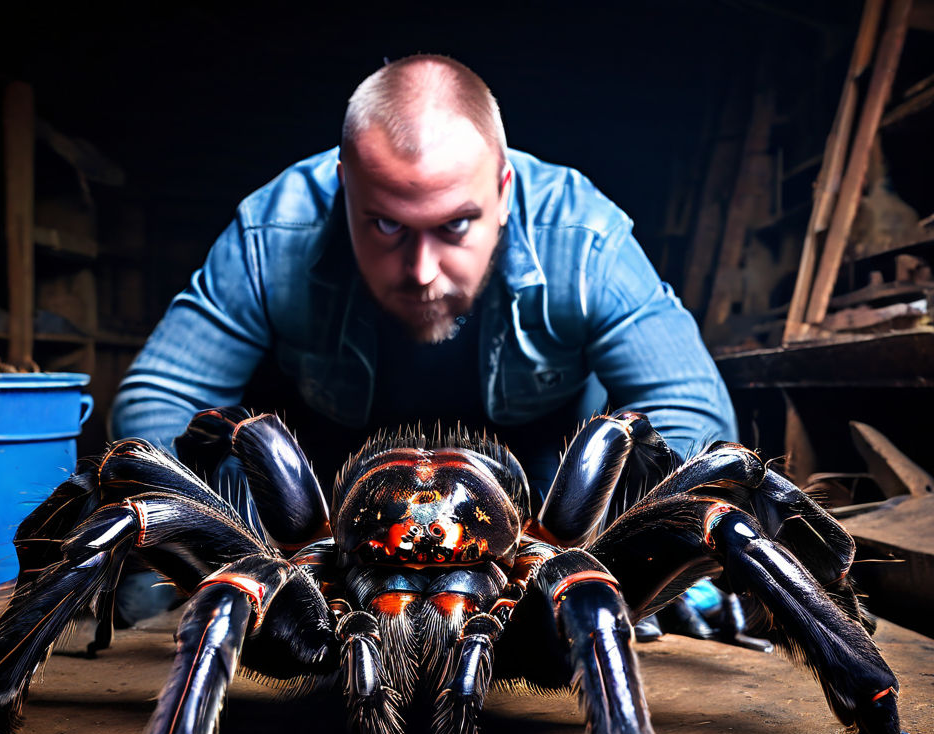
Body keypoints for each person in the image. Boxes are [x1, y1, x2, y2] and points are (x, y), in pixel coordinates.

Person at [110, 53, 736, 502]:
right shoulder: (275, 231)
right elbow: (158, 402)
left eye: (457, 225)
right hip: (329, 502)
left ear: (503, 191)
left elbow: (693, 417)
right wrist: (247, 535)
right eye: (385, 226)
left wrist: (614, 553)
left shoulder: (582, 239)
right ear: (342, 191)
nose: (422, 271)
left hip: (544, 507)